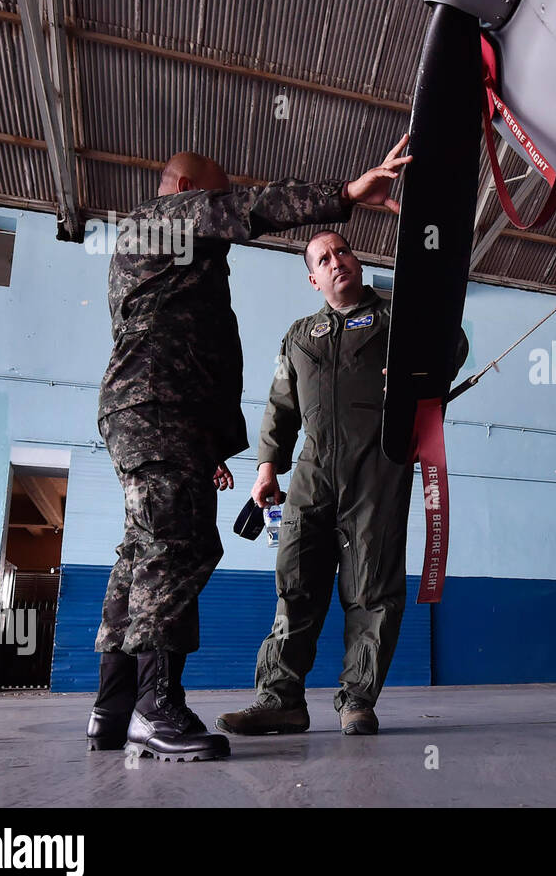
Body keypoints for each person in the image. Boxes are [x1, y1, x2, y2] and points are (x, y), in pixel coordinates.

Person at [86, 138, 413, 762]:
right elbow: (252, 208)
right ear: (185, 191)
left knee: (138, 551)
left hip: (160, 415)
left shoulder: (172, 256)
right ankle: (157, 707)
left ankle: (112, 705)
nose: (221, 206)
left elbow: (182, 340)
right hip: (160, 410)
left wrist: (210, 443)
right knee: (175, 547)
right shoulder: (163, 221)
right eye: (213, 193)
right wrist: (343, 194)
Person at [216, 230, 467, 737]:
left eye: (343, 251)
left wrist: (418, 373)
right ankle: (279, 700)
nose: (336, 262)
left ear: (355, 259)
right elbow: (281, 403)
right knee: (295, 584)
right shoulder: (300, 334)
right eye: (324, 259)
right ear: (314, 279)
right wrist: (268, 466)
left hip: (377, 466)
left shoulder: (398, 316)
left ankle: (358, 700)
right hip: (312, 471)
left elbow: (453, 342)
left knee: (371, 587)